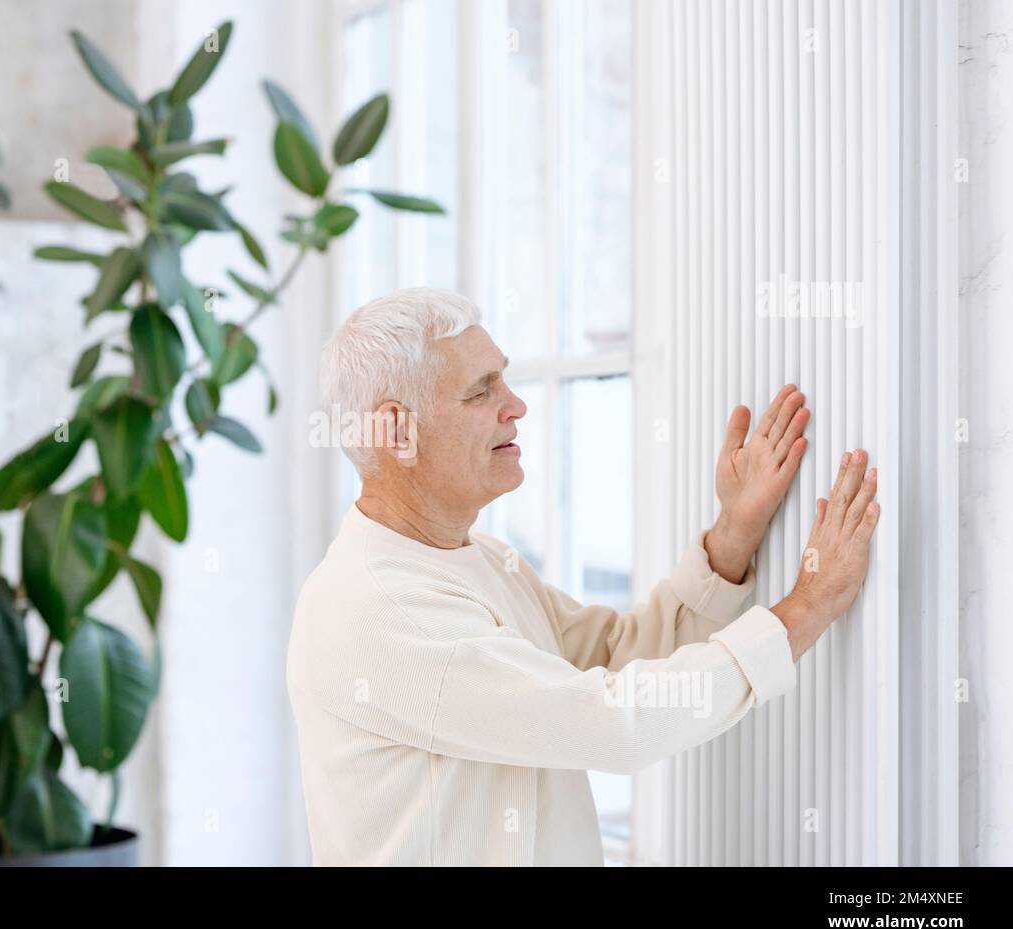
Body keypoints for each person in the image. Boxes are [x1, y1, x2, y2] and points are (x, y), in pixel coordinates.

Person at [286, 288, 881, 865]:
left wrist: (735, 533)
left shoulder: (482, 558)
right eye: (480, 391)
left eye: (505, 377)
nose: (516, 404)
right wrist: (809, 606)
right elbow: (612, 721)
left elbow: (617, 658)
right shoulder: (375, 608)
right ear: (398, 433)